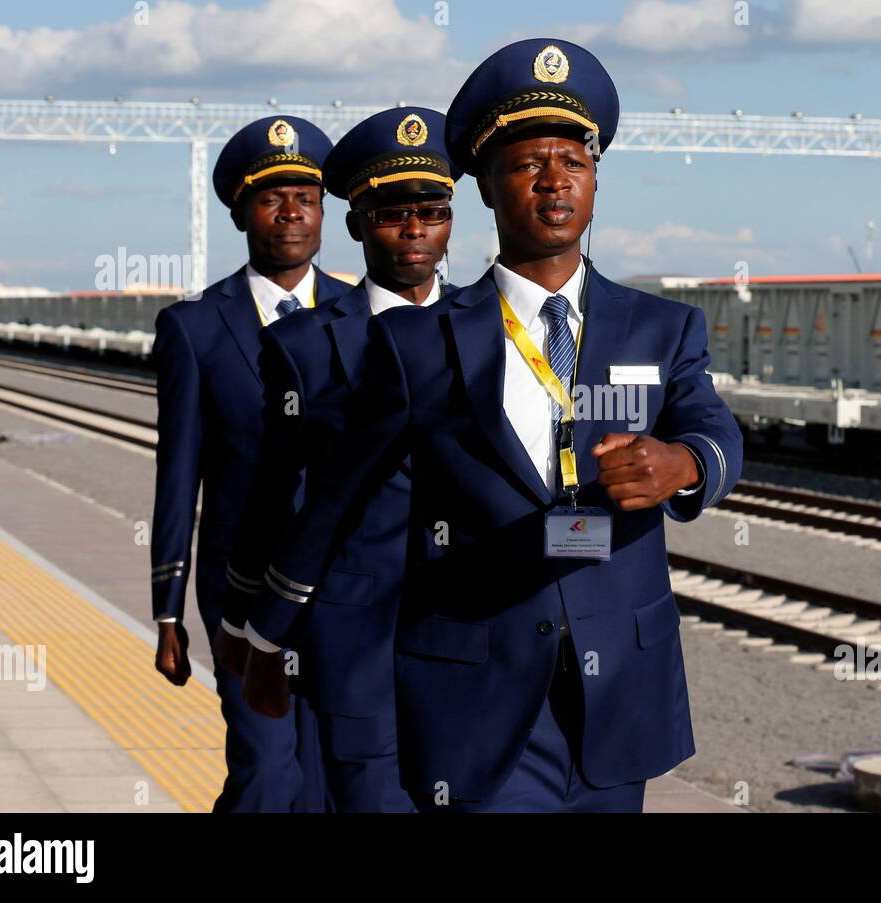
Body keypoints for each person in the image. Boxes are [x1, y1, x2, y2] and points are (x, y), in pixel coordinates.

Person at [250, 38, 742, 812]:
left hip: (618, 699)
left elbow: (717, 431)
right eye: (526, 164)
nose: (555, 181)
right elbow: (337, 496)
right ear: (482, 187)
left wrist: (681, 464)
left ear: (594, 179)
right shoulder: (418, 343)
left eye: (573, 162)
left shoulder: (664, 328)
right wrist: (265, 633)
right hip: (477, 704)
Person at [216, 107, 459, 812]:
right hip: (356, 642)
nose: (414, 230)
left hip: (479, 634)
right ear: (355, 224)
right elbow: (270, 495)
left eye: (432, 211)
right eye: (390, 213)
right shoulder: (302, 345)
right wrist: (247, 627)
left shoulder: (494, 332)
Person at [149, 115, 345, 812]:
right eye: (271, 198)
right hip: (242, 591)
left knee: (326, 778)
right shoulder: (194, 327)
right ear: (240, 213)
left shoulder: (365, 316)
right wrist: (166, 609)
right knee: (267, 772)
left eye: (307, 197)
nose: (291, 213)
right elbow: (177, 473)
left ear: (325, 212)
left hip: (345, 588)